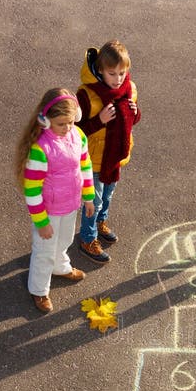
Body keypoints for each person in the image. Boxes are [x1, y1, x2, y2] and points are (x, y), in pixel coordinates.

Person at [16, 89, 95, 313]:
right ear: (45, 120)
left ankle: (60, 267)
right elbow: (31, 191)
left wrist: (89, 197)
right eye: (61, 124)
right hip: (49, 211)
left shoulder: (78, 135)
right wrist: (42, 222)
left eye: (71, 122)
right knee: (44, 250)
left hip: (70, 204)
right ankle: (39, 289)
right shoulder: (41, 148)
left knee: (64, 241)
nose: (67, 128)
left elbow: (85, 166)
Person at [76, 40, 141, 264]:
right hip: (92, 160)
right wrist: (99, 121)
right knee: (92, 201)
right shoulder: (86, 95)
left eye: (122, 72)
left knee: (107, 196)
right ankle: (87, 238)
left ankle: (100, 223)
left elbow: (132, 120)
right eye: (112, 74)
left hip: (114, 156)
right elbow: (73, 131)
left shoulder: (129, 89)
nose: (118, 79)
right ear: (99, 71)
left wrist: (135, 112)